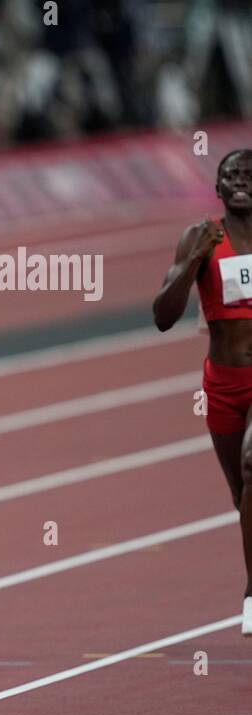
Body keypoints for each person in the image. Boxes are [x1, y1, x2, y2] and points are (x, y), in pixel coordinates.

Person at [153, 147, 252, 637]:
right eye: (229, 175)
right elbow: (163, 317)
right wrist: (194, 259)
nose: (239, 181)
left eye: (248, 174)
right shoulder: (201, 237)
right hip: (224, 381)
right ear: (217, 188)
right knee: (242, 495)